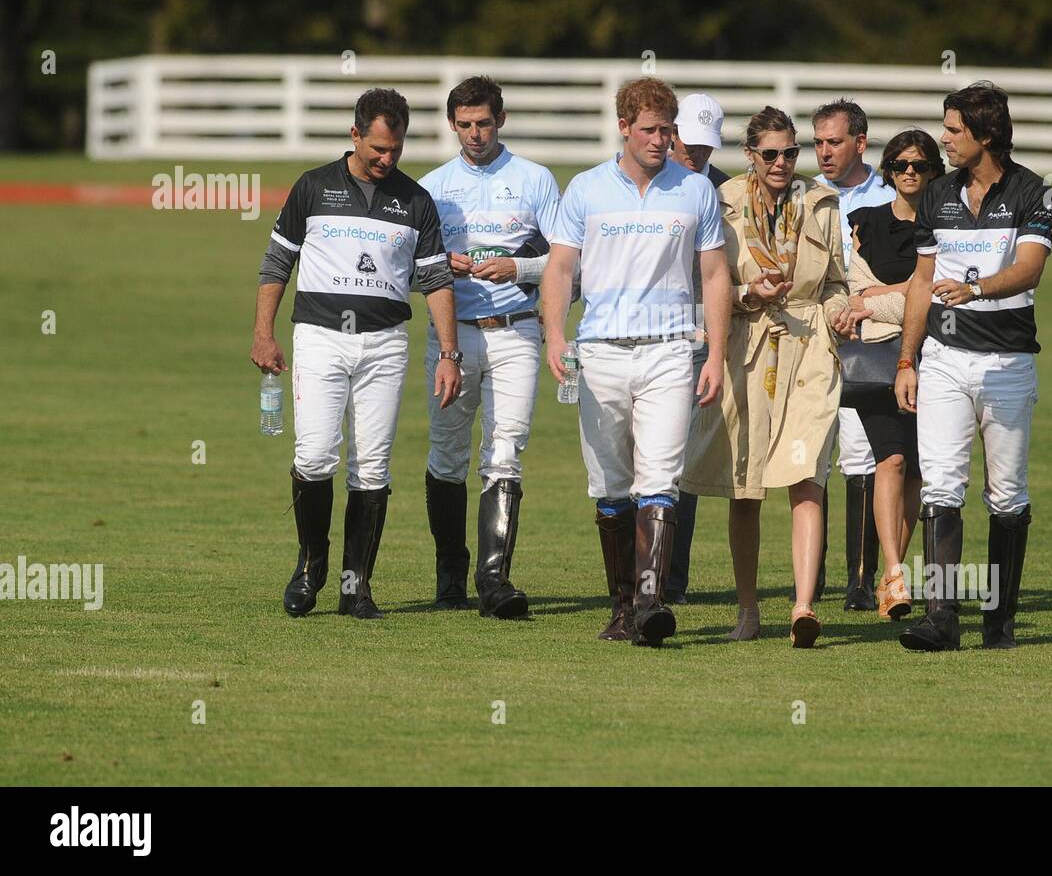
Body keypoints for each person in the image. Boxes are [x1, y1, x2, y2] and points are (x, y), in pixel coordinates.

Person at [251, 88, 461, 620]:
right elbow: (278, 262)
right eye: (377, 150)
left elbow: (435, 279)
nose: (387, 159)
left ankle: (356, 585)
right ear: (354, 135)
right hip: (320, 337)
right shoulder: (314, 187)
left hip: (386, 344)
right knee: (315, 454)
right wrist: (263, 332)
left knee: (372, 467)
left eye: (396, 149)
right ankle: (309, 567)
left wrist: (449, 353)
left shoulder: (415, 201)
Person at [540, 77, 730, 647]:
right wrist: (554, 336)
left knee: (660, 476)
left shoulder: (695, 190)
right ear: (623, 127)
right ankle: (622, 608)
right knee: (611, 485)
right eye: (649, 130)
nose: (659, 140)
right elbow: (559, 270)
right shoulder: (586, 189)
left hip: (672, 349)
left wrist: (714, 352)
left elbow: (716, 274)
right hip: (599, 352)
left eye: (666, 130)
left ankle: (650, 603)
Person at [683, 107, 853, 648]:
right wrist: (745, 295)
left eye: (790, 153)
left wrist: (840, 312)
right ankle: (749, 611)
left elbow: (836, 282)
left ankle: (803, 607)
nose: (782, 163)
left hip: (810, 349)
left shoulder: (821, 202)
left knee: (807, 478)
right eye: (770, 154)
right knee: (745, 486)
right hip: (744, 348)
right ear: (751, 156)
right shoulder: (722, 202)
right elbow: (703, 284)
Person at [894, 82, 1052, 651]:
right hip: (941, 359)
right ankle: (942, 619)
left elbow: (1030, 269)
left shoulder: (1034, 192)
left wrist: (975, 287)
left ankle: (999, 623)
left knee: (1007, 496)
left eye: (955, 130)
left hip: (1008, 364)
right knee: (940, 487)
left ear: (986, 135)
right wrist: (907, 359)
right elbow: (919, 283)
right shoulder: (936, 194)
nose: (945, 138)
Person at [417, 75, 560, 619]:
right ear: (452, 125)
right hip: (450, 338)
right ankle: (450, 575)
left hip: (517, 327)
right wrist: (435, 266)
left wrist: (518, 266)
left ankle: (494, 579)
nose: (475, 134)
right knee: (447, 451)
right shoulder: (432, 188)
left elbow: (569, 258)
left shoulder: (535, 180)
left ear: (500, 120)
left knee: (506, 448)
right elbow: (402, 269)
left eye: (483, 123)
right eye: (464, 124)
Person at [833, 128, 943, 619]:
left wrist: (877, 302)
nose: (910, 174)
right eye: (900, 165)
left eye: (920, 165)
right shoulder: (866, 222)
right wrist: (899, 299)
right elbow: (847, 292)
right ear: (889, 170)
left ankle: (884, 577)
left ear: (934, 171)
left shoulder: (949, 226)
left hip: (938, 361)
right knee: (892, 462)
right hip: (879, 367)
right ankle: (896, 573)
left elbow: (934, 294)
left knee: (921, 472)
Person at [812, 98, 896, 611]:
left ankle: (861, 582)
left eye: (834, 142)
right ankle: (811, 578)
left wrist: (862, 307)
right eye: (818, 142)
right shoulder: (804, 197)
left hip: (871, 338)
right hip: (815, 338)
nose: (824, 152)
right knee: (813, 455)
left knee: (863, 454)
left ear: (859, 143)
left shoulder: (890, 196)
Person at [664, 92, 729, 604]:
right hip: (636, 337)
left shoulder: (724, 191)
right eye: (690, 143)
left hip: (695, 343)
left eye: (706, 147)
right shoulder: (645, 182)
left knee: (678, 462)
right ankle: (636, 578)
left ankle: (670, 580)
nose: (697, 155)